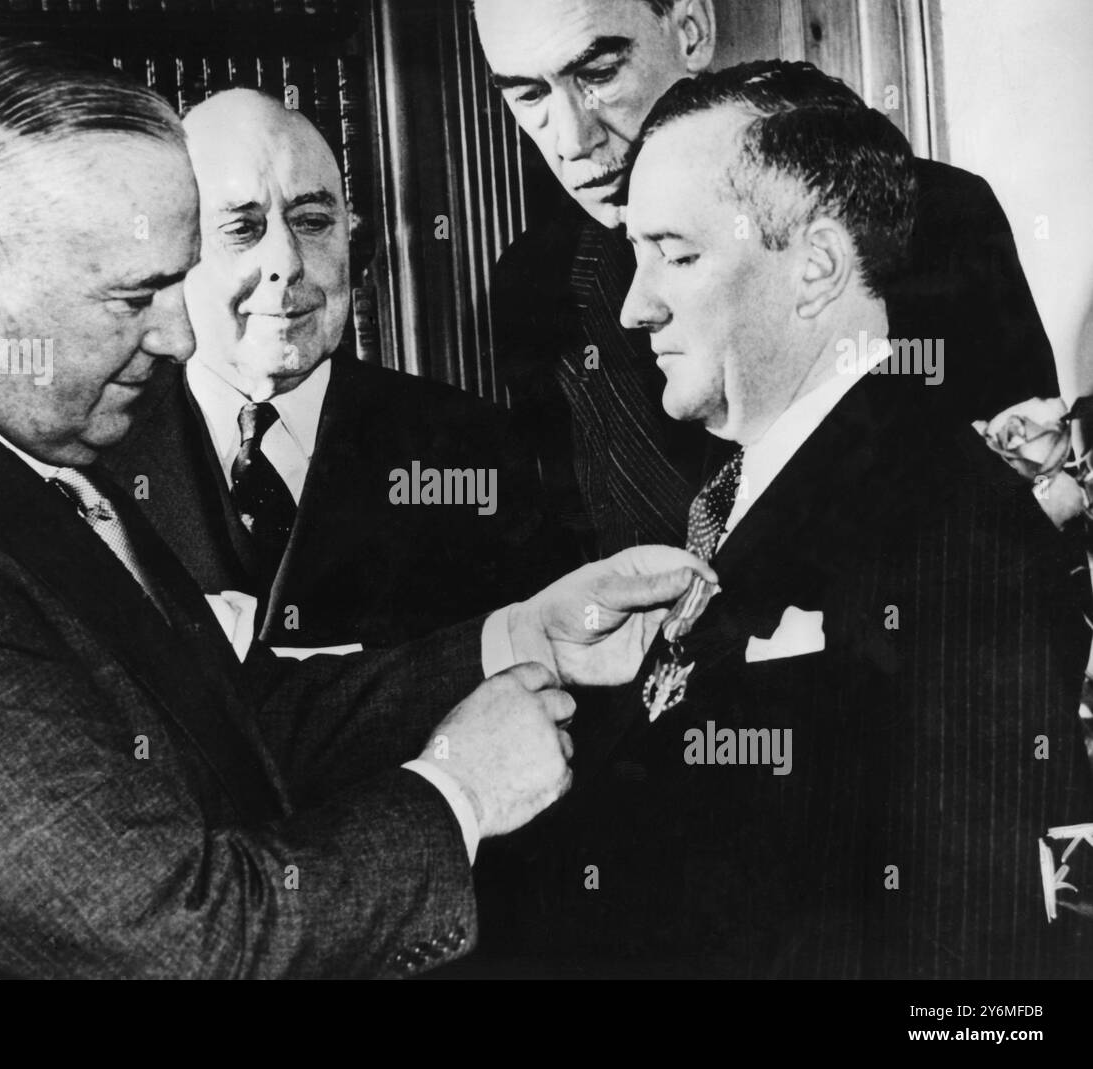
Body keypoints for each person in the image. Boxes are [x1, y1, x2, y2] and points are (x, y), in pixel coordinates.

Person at [0, 37, 711, 980]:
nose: (181, 331)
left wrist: (524, 637)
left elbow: (223, 727)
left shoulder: (9, 462)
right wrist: (457, 791)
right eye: (136, 294)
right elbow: (185, 943)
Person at [466, 61, 1093, 979]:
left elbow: (987, 983)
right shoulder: (744, 492)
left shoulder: (946, 529)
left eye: (676, 255)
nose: (637, 308)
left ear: (817, 268)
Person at [474, 0, 1060, 556]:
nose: (573, 140)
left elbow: (1035, 484)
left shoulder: (936, 215)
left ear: (691, 31)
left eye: (599, 72)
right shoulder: (533, 288)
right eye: (528, 95)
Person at [103, 89, 568, 652]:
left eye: (312, 221)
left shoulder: (471, 447)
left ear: (352, 237)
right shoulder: (97, 453)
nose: (286, 264)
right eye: (242, 230)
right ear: (176, 252)